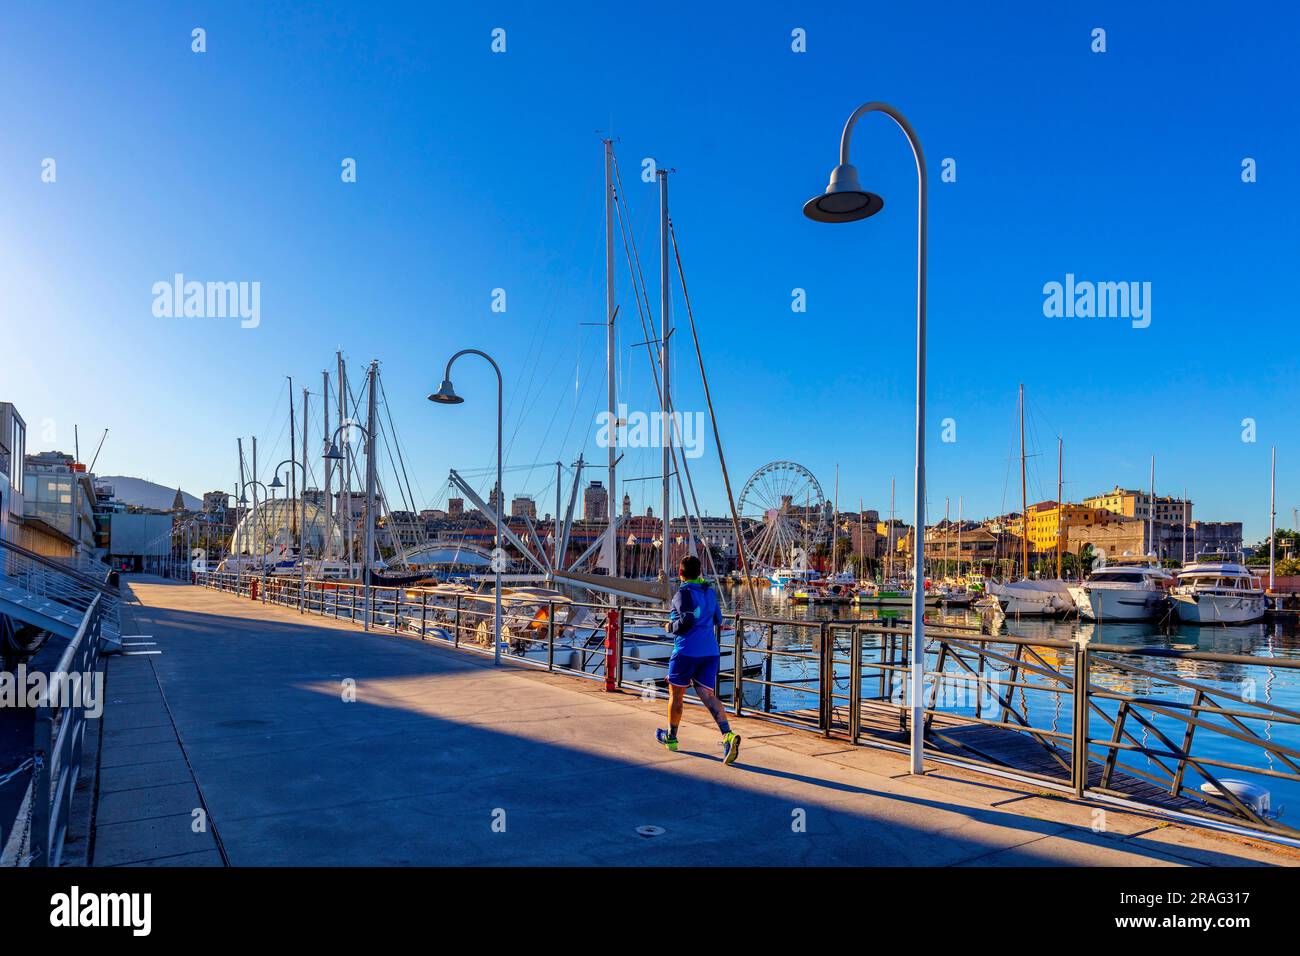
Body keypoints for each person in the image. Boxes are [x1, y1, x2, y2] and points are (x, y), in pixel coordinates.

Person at [656, 554, 742, 765]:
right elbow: (718, 620)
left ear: (680, 573)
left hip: (686, 651)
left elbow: (686, 622)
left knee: (676, 695)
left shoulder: (683, 593)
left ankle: (672, 737)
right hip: (710, 651)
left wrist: (670, 627)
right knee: (707, 695)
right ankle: (727, 735)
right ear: (700, 572)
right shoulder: (710, 592)